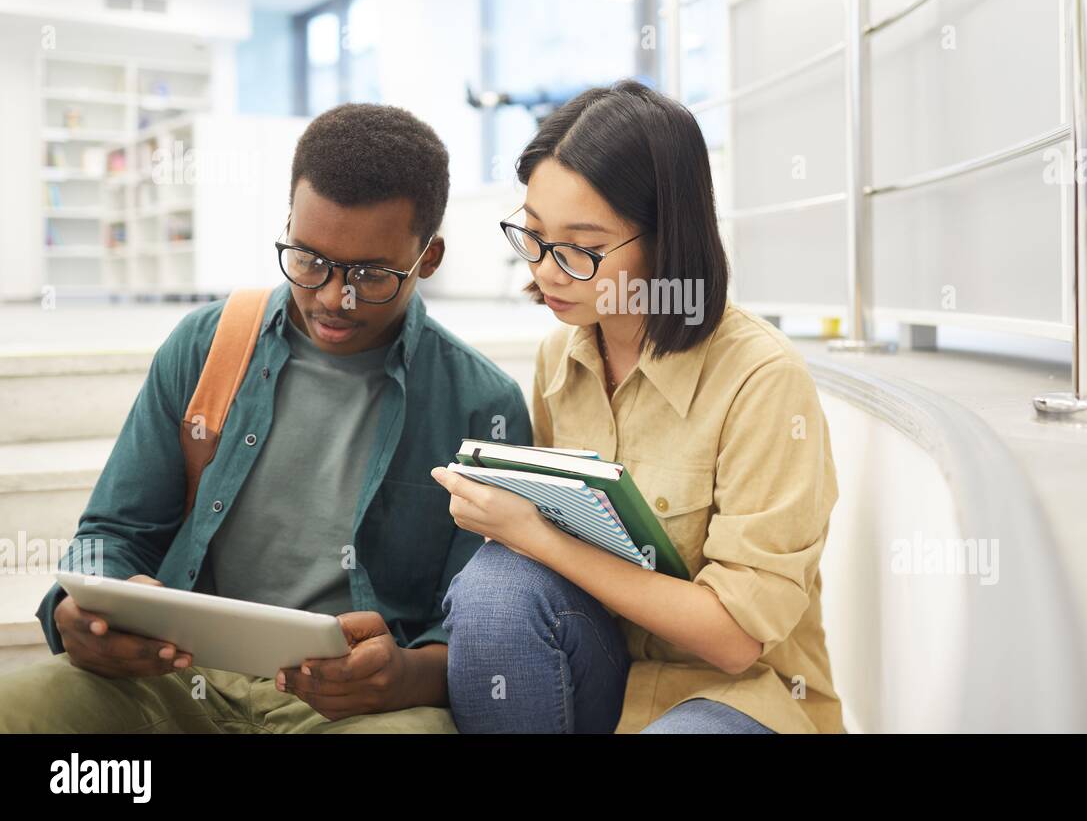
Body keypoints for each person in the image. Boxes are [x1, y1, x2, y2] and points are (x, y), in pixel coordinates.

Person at [0, 103, 530, 733]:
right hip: (177, 681)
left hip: (350, 712)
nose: (334, 297)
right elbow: (111, 533)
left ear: (430, 257)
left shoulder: (481, 405)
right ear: (288, 224)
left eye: (371, 274)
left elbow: (477, 625)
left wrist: (407, 676)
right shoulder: (207, 346)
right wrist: (77, 611)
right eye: (309, 259)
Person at [432, 79, 843, 733]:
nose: (546, 270)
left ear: (666, 238)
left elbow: (735, 638)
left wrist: (535, 536)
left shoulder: (762, 379)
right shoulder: (559, 359)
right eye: (533, 237)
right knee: (495, 591)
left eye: (579, 249)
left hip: (740, 695)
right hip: (607, 673)